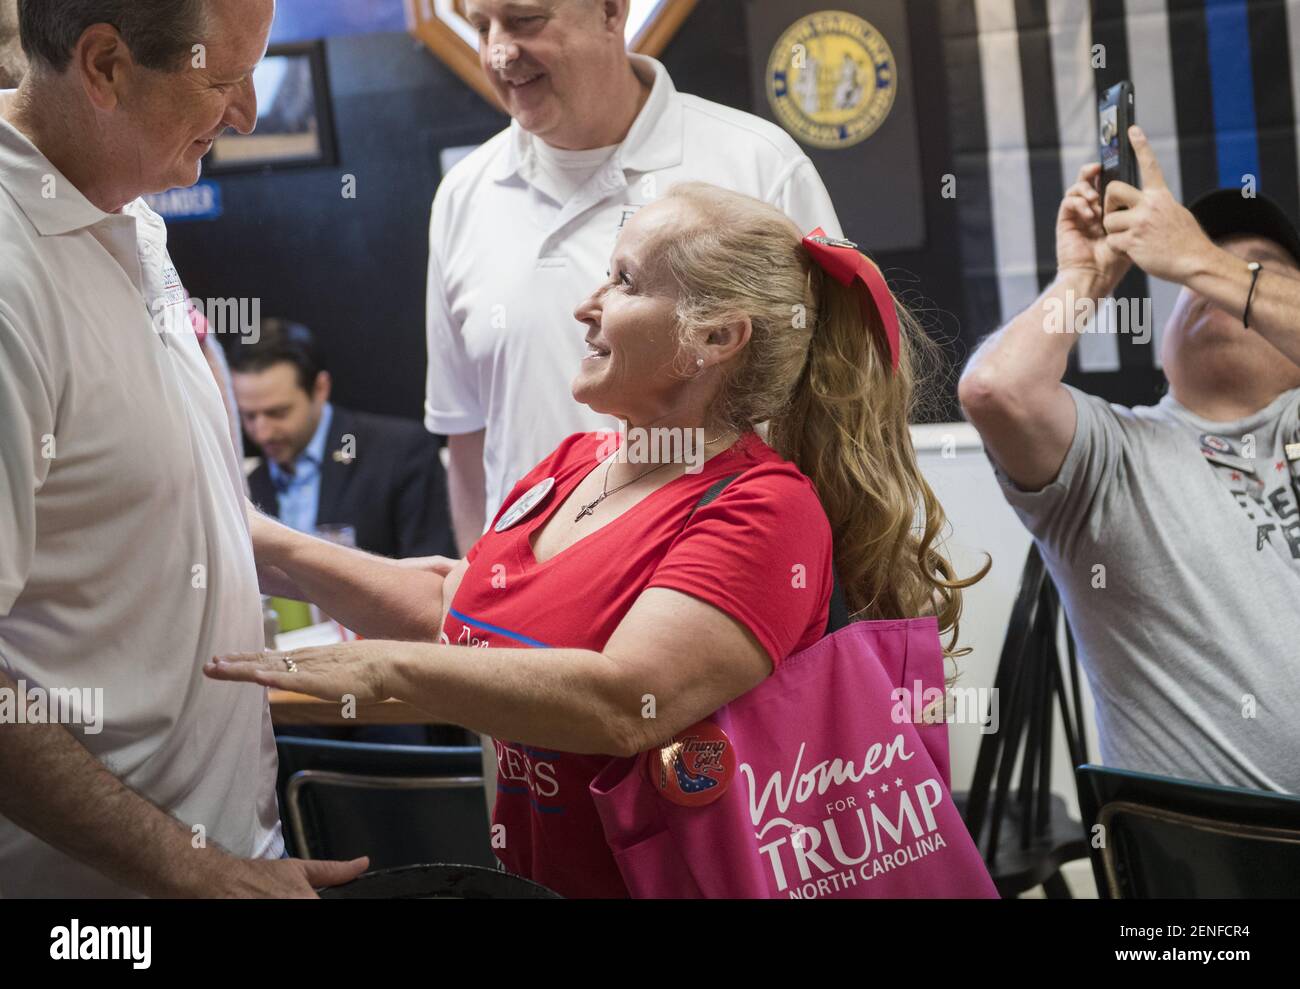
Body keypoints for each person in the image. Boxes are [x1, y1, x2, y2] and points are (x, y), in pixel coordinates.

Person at [207, 182, 981, 898]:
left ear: (715, 336)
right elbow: (462, 604)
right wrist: (258, 541)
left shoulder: (764, 508)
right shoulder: (574, 465)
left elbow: (626, 701)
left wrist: (384, 667)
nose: (587, 306)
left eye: (624, 282)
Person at [0, 0, 366, 896]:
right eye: (220, 81)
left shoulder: (125, 203)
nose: (245, 112)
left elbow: (163, 502)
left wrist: (351, 575)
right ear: (105, 67)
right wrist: (189, 867)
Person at [427, 0, 844, 554]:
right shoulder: (463, 195)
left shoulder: (756, 163)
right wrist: (474, 583)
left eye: (525, 20)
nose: (499, 51)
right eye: (481, 28)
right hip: (526, 596)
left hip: (721, 579)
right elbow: (467, 428)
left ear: (609, 12)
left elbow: (839, 396)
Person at [959, 125, 1300, 794]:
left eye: (1253, 269)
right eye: (1188, 276)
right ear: (1163, 347)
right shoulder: (1113, 456)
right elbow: (996, 388)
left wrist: (1201, 260)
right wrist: (1082, 278)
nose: (1210, 278)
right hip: (1216, 866)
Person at [231, 318, 455, 559]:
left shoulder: (400, 453)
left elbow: (433, 574)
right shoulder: (246, 484)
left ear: (320, 389)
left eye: (278, 413)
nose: (262, 432)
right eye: (249, 416)